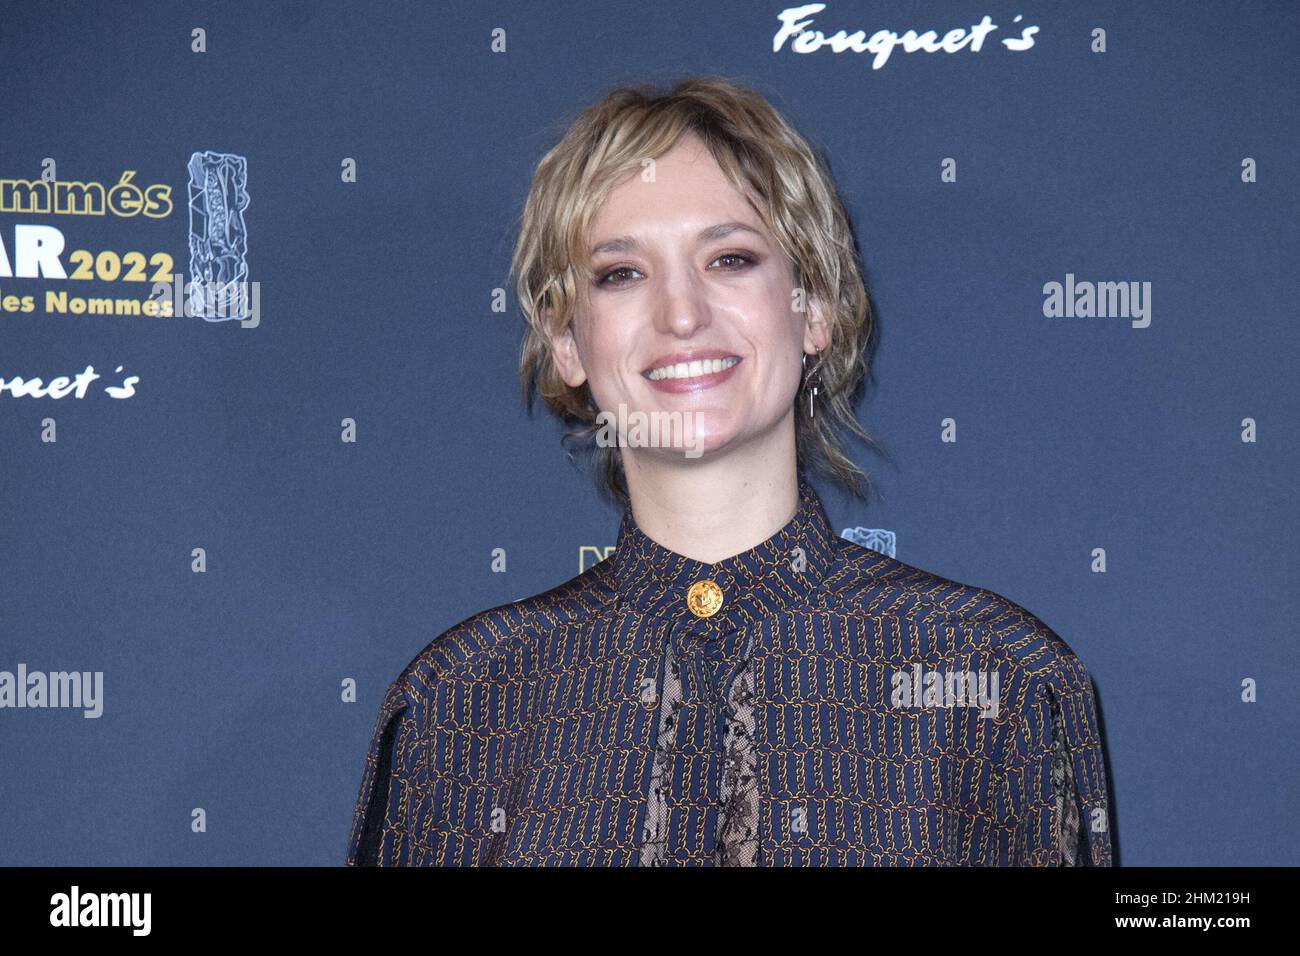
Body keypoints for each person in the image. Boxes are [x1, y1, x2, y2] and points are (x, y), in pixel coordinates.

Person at [345, 75, 1114, 866]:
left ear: (813, 306)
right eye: (621, 272)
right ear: (566, 339)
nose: (682, 314)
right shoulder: (462, 703)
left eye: (730, 258)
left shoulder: (993, 680)